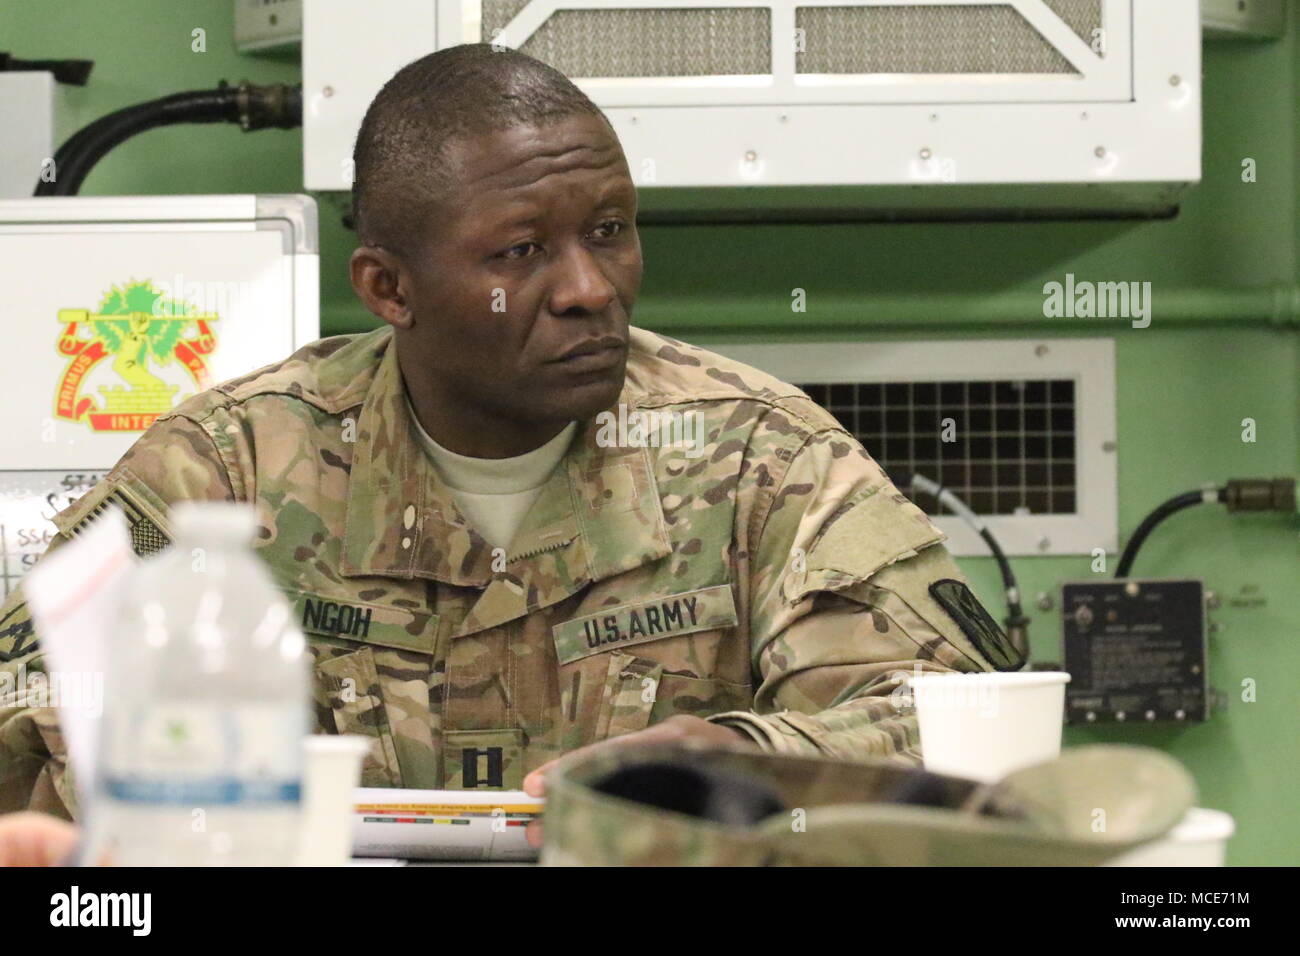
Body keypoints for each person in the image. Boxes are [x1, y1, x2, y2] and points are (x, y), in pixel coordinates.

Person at [0, 44, 1011, 825]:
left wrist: (738, 749)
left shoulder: (759, 456)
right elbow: (25, 703)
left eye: (610, 230)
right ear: (389, 288)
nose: (588, 289)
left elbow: (969, 726)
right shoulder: (229, 464)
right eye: (522, 251)